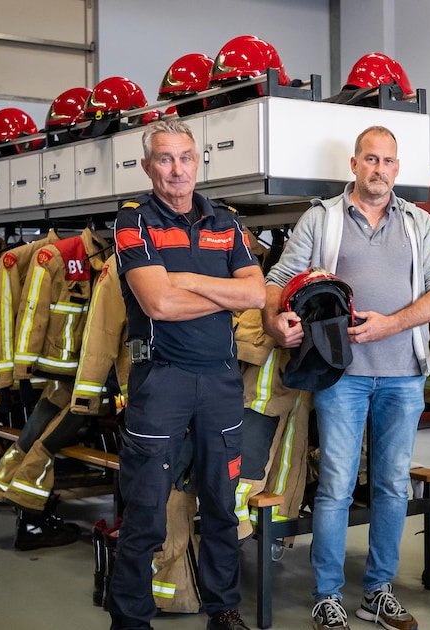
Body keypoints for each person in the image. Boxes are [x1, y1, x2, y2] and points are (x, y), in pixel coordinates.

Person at [263, 125, 430, 630]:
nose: (379, 169)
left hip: (403, 376)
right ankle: (326, 594)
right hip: (340, 375)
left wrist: (392, 323)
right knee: (336, 488)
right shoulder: (321, 219)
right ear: (354, 165)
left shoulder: (419, 223)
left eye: (388, 161)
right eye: (370, 159)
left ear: (397, 168)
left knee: (392, 486)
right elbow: (278, 279)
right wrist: (273, 319)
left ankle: (378, 591)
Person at [107, 119, 265, 630]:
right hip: (161, 381)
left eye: (186, 157)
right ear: (149, 166)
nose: (178, 169)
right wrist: (221, 293)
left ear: (198, 162)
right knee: (147, 512)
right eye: (166, 159)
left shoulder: (226, 222)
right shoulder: (134, 221)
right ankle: (130, 621)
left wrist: (189, 281)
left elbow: (256, 294)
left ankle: (224, 610)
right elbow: (158, 303)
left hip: (219, 380)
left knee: (223, 507)